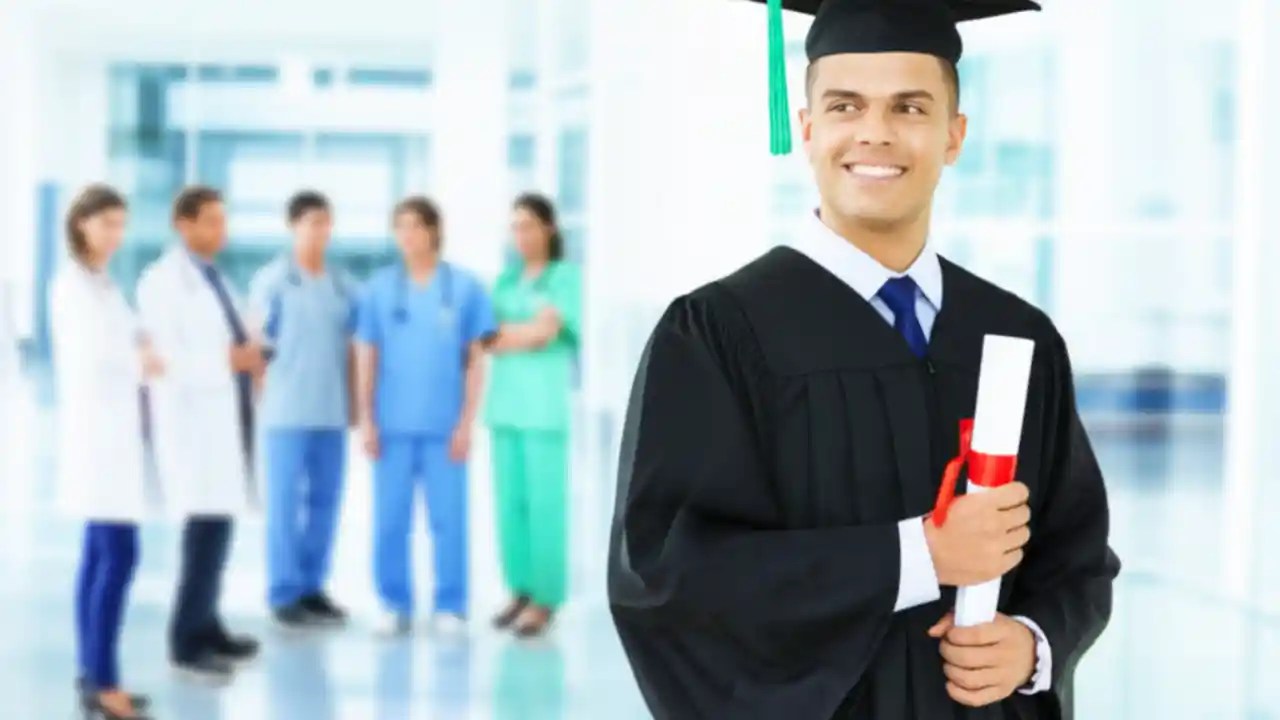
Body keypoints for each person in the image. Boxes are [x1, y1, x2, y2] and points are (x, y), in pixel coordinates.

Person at [607, 1, 1121, 719]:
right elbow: (670, 577)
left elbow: (1078, 553)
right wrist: (917, 557)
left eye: (910, 107)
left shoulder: (1015, 335)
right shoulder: (716, 334)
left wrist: (1035, 644)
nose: (875, 132)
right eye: (846, 105)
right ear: (809, 128)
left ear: (954, 135)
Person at [355, 196, 496, 636]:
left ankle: (450, 604)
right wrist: (366, 418)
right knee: (390, 519)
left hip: (444, 427)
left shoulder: (465, 287)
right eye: (401, 227)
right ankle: (393, 602)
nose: (408, 236)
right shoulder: (379, 289)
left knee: (449, 520)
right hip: (391, 424)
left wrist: (467, 422)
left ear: (435, 230)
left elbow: (476, 359)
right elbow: (366, 355)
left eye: (416, 226)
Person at [137, 185, 262, 683]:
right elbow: (164, 361)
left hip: (223, 416)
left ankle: (208, 624)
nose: (221, 231)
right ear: (183, 225)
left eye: (223, 221)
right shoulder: (161, 282)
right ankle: (186, 640)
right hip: (192, 424)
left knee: (219, 528)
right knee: (202, 532)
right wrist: (226, 361)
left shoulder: (214, 279)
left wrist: (249, 351)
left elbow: (228, 335)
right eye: (210, 221)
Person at [53, 185, 160, 720]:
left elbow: (130, 338)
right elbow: (102, 357)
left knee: (99, 552)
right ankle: (106, 682)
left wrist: (139, 350)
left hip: (112, 435)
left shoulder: (101, 284)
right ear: (81, 225)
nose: (115, 234)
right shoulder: (73, 288)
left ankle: (92, 672)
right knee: (118, 554)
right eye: (106, 223)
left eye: (121, 223)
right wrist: (143, 360)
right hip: (100, 439)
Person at [248, 190, 356, 629]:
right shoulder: (272, 281)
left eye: (326, 222)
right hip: (286, 413)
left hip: (331, 411)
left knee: (326, 502)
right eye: (312, 222)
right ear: (293, 226)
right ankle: (283, 591)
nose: (320, 231)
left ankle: (313, 587)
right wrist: (262, 399)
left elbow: (357, 345)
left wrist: (357, 404)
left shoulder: (342, 283)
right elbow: (255, 347)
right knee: (283, 505)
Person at [483, 193, 582, 638]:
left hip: (543, 412)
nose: (521, 235)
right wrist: (523, 333)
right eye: (515, 227)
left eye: (528, 225)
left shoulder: (565, 278)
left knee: (545, 507)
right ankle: (519, 591)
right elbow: (485, 338)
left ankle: (545, 599)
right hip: (504, 409)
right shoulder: (505, 281)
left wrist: (514, 333)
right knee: (511, 507)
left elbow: (547, 332)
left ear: (549, 229)